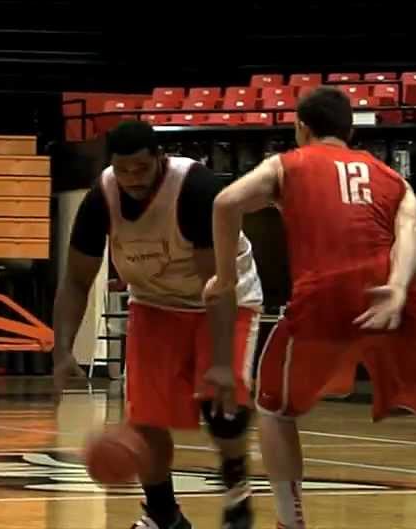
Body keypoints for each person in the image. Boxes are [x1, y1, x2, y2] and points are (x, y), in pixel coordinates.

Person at [207, 87, 416, 529]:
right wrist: (398, 287)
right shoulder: (391, 177)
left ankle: (291, 522)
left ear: (301, 127)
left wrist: (226, 277)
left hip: (322, 297)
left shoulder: (287, 164)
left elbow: (225, 202)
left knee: (274, 409)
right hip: (390, 298)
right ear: (350, 130)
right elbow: (411, 229)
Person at [52, 120, 263, 529]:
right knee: (146, 419)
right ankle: (164, 516)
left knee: (223, 407)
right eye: (124, 170)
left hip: (222, 298)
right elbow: (76, 279)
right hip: (154, 302)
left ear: (160, 160)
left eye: (142, 169)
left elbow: (216, 284)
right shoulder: (101, 198)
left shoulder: (195, 189)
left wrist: (221, 363)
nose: (132, 178)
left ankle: (237, 492)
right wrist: (62, 350)